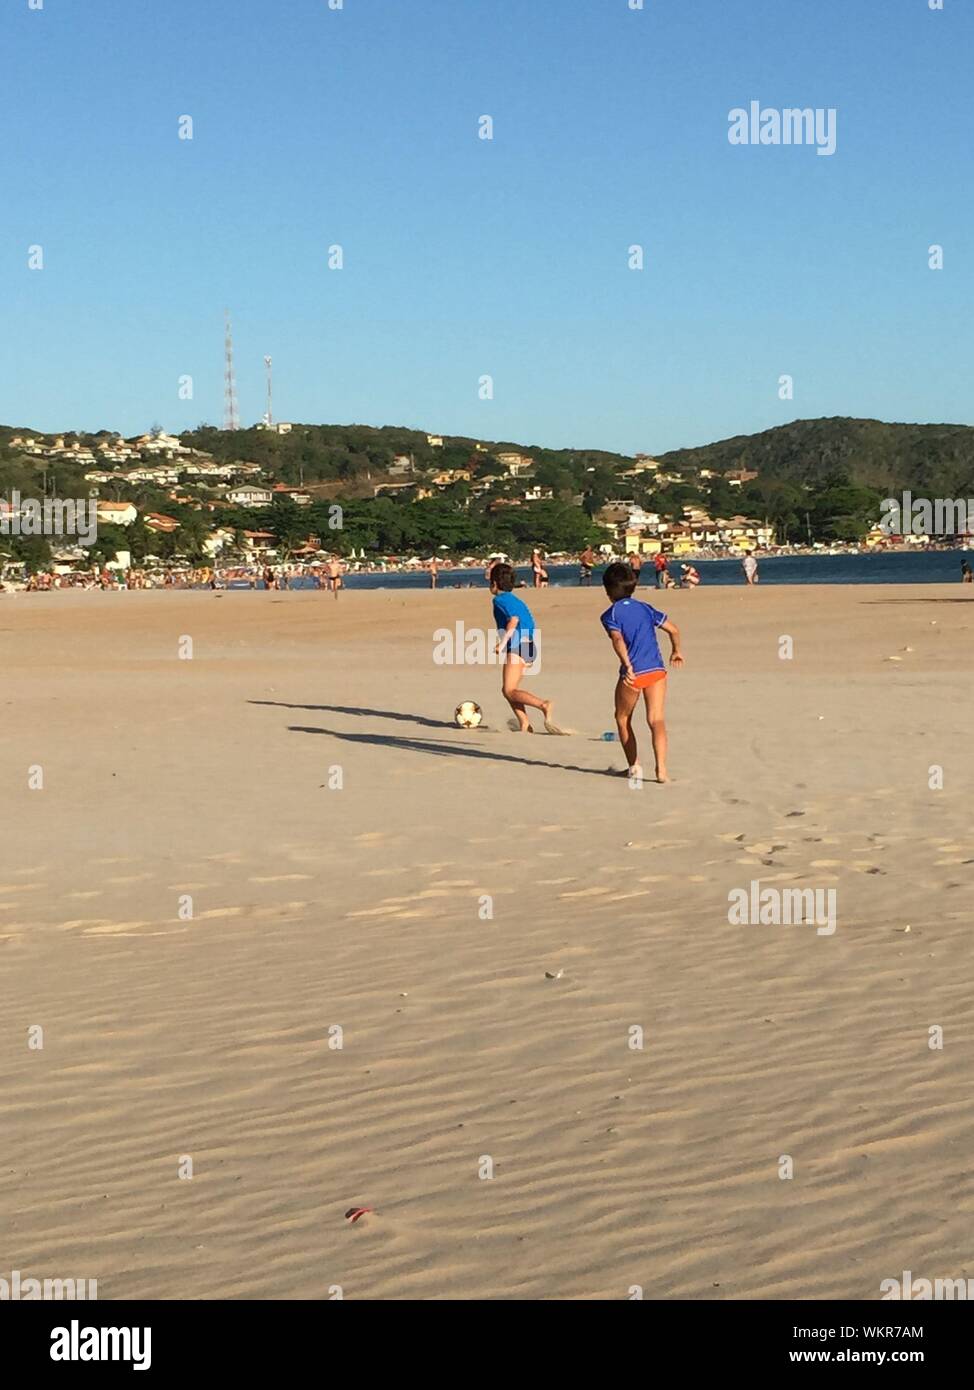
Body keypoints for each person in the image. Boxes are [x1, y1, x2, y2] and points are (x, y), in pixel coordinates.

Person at [600, 561, 683, 784]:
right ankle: (662, 771)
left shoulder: (611, 614)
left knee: (622, 717)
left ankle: (634, 767)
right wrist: (676, 651)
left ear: (608, 591)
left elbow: (617, 639)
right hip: (656, 670)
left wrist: (627, 665)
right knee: (656, 719)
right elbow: (673, 629)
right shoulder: (645, 608)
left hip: (633, 674)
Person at [489, 562, 560, 733]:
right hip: (528, 646)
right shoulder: (515, 600)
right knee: (510, 690)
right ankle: (525, 724)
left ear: (494, 583)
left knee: (509, 690)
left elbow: (514, 620)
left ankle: (543, 705)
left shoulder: (500, 599)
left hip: (518, 645)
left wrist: (503, 642)